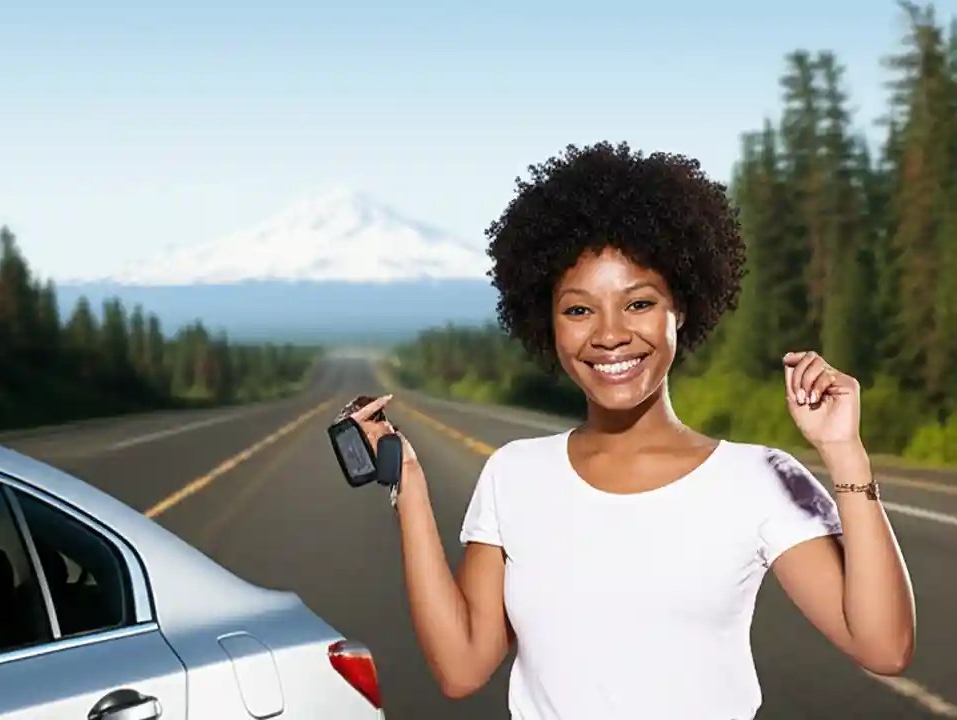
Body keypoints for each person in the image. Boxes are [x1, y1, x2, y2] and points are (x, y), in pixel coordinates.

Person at [348, 141, 916, 720]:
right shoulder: (514, 473)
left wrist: (845, 453)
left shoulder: (756, 477)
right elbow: (462, 669)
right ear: (548, 325)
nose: (610, 334)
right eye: (578, 310)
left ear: (682, 310)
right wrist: (409, 485)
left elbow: (885, 647)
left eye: (638, 303)